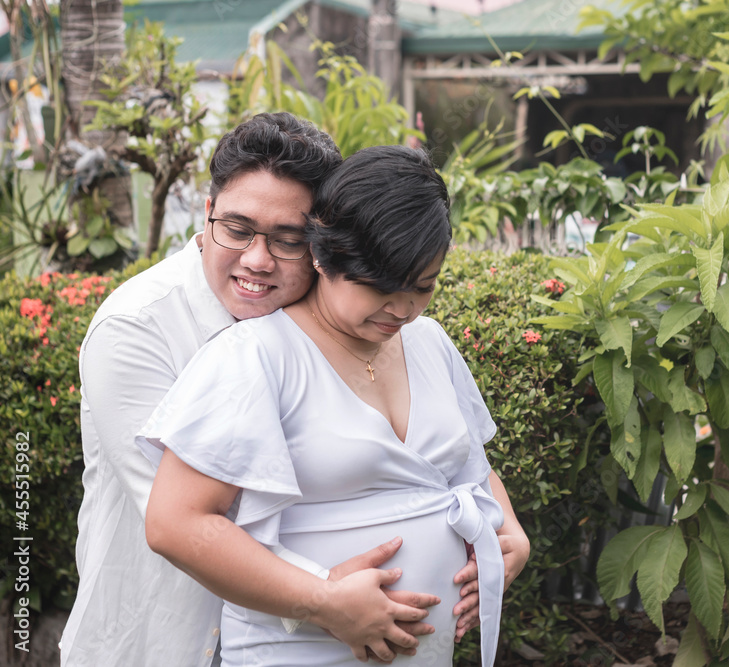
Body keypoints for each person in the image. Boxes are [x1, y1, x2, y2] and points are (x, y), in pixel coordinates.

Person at [61, 114, 479, 667]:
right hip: (166, 636)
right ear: (207, 214)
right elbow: (197, 517)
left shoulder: (338, 329)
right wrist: (329, 596)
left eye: (287, 239)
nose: (257, 260)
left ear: (321, 244)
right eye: (237, 230)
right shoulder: (136, 328)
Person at [140, 145, 531, 666]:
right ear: (322, 255)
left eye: (422, 287)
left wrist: (508, 531)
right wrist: (325, 601)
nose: (403, 308)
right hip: (299, 649)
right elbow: (175, 524)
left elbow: (466, 466)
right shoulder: (256, 357)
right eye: (379, 288)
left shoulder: (429, 341)